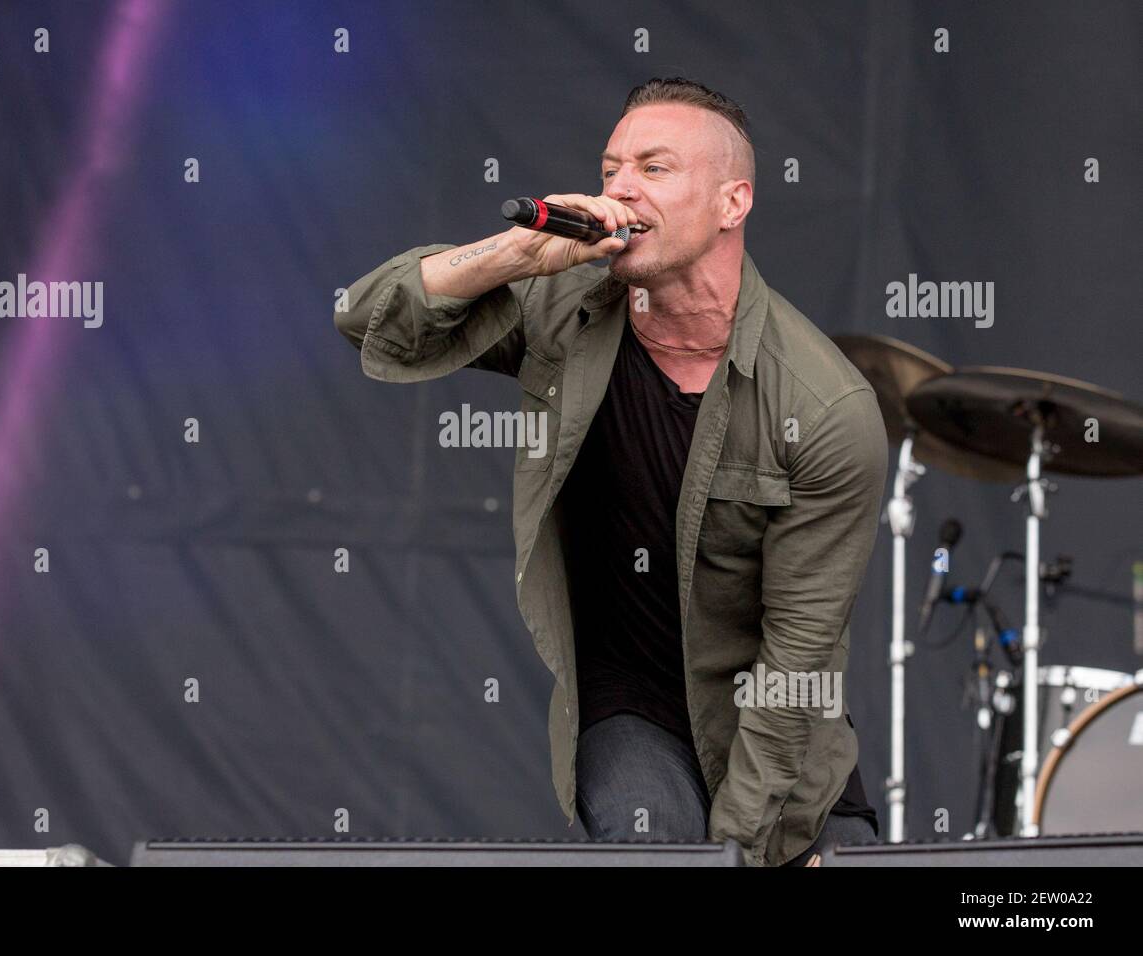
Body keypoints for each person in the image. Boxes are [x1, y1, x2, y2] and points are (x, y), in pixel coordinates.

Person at [333, 77, 887, 866]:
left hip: (774, 731)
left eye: (654, 168)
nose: (620, 188)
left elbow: (797, 659)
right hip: (632, 705)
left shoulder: (827, 408)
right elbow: (369, 320)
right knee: (649, 843)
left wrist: (735, 849)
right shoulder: (562, 309)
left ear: (733, 203)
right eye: (610, 168)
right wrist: (518, 253)